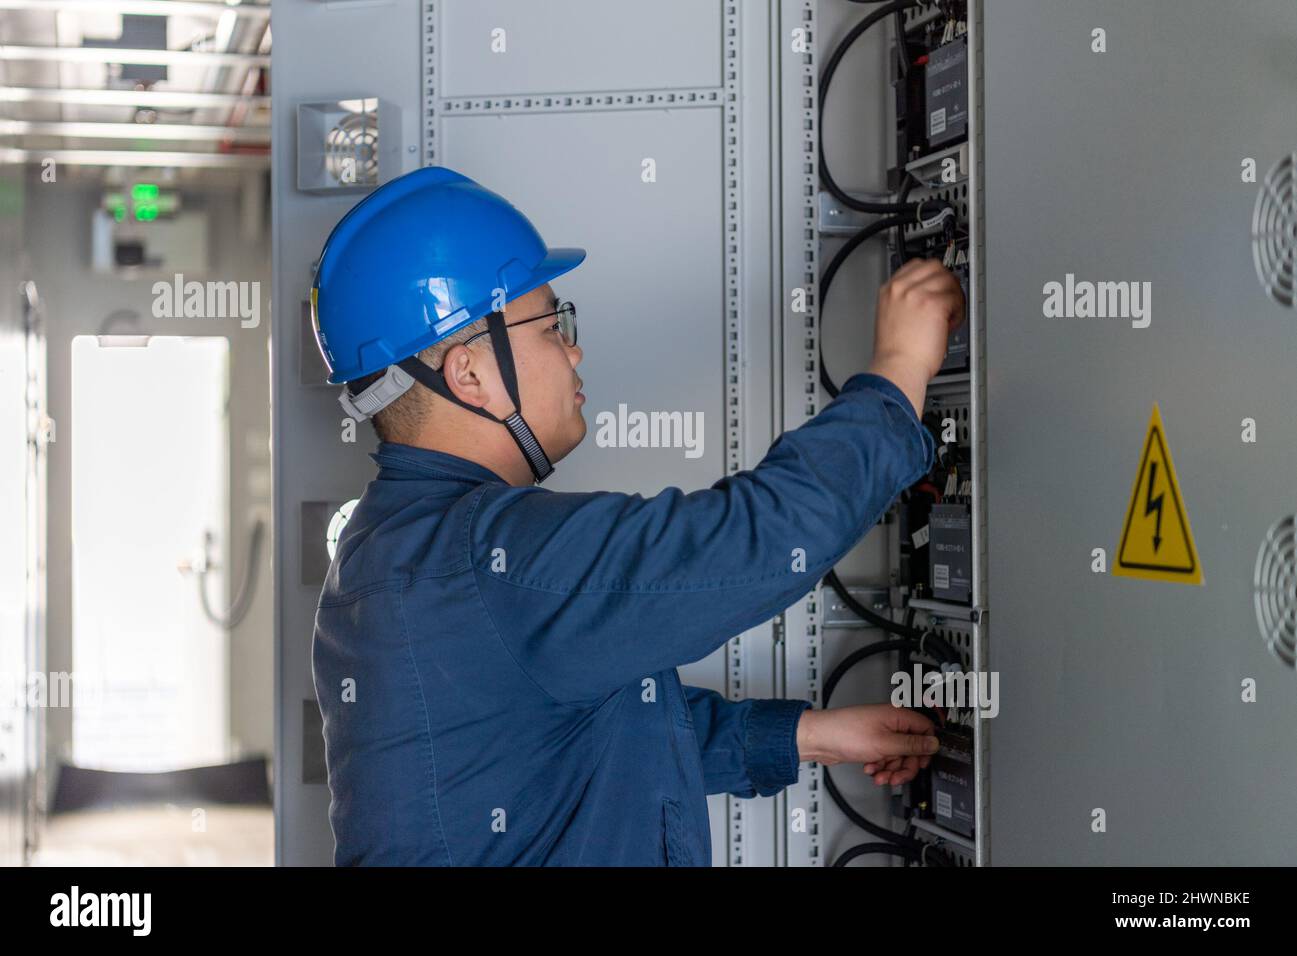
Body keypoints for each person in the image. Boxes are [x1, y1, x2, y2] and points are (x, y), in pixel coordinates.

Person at [309, 166, 967, 865]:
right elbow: (757, 542)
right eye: (552, 323)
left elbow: (569, 735)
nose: (574, 349)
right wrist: (898, 370)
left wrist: (808, 735)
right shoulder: (492, 561)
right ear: (470, 373)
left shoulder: (381, 553)